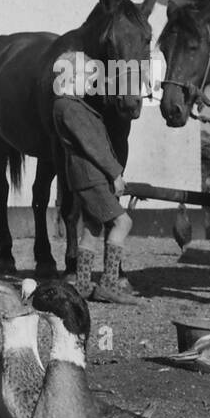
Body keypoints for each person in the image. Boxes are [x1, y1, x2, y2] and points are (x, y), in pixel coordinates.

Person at [50, 53, 139, 306]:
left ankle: (82, 285)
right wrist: (115, 174)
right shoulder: (70, 107)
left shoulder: (69, 105)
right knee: (122, 223)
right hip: (91, 176)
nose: (92, 81)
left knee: (93, 229)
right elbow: (94, 146)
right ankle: (110, 285)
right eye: (89, 76)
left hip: (86, 176)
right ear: (73, 76)